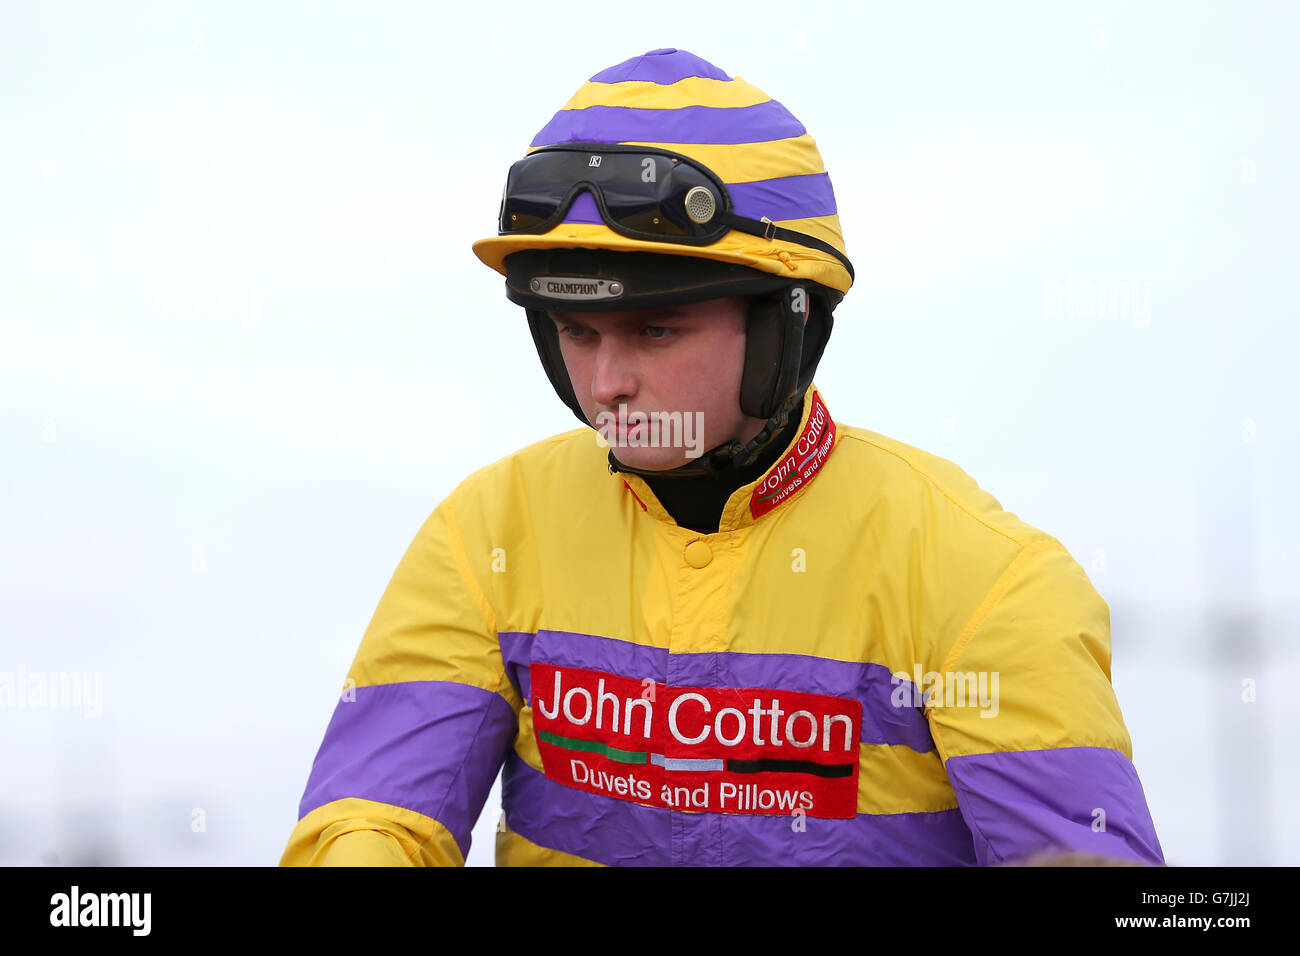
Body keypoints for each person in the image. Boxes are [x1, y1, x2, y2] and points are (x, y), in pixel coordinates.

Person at [279, 48, 1164, 867]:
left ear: (791, 323)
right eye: (576, 331)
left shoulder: (985, 578)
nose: (608, 383)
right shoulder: (485, 533)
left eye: (654, 329)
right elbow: (371, 815)